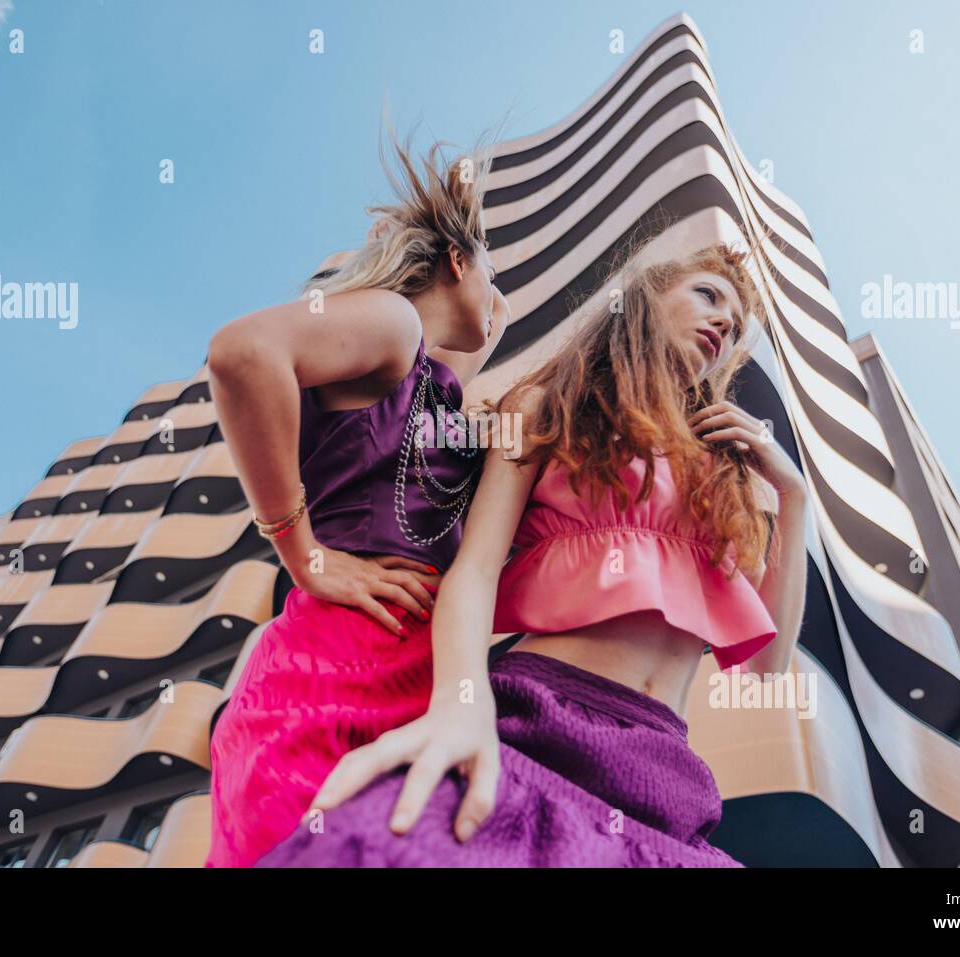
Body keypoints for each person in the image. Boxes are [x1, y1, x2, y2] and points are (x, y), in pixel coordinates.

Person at [257, 238, 810, 867]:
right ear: (647, 299)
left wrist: (795, 500)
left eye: (736, 326)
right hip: (539, 720)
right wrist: (457, 709)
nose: (722, 324)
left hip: (667, 771)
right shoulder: (552, 405)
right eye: (708, 296)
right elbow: (478, 568)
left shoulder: (722, 472)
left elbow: (766, 670)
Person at [203, 119, 512, 867]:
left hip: (406, 688)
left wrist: (484, 330)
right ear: (455, 261)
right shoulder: (394, 321)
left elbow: (428, 422)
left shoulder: (428, 386)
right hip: (330, 680)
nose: (499, 299)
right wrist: (303, 555)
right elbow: (242, 354)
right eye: (492, 275)